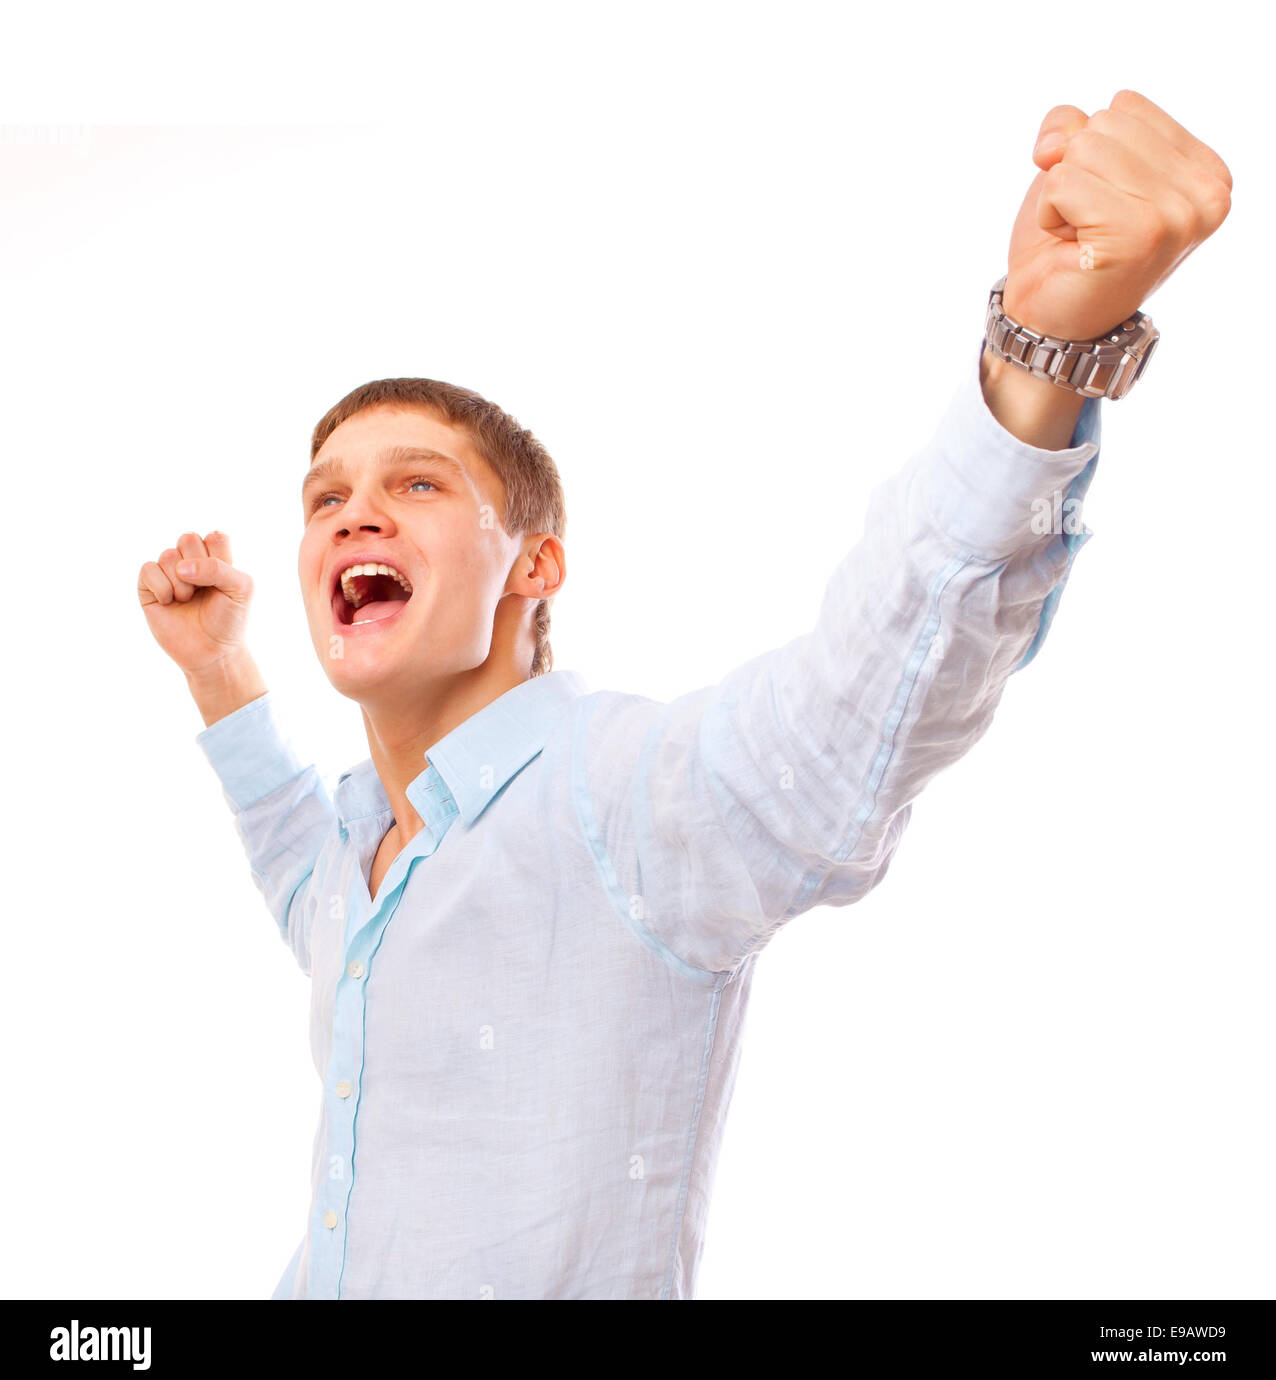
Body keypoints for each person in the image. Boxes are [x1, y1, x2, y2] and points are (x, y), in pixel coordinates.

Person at [136, 90, 1230, 1299]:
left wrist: (1040, 353)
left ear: (533, 565)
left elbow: (850, 713)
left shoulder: (621, 800)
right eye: (324, 496)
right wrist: (217, 668)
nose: (354, 511)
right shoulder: (356, 854)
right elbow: (288, 850)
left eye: (420, 484)